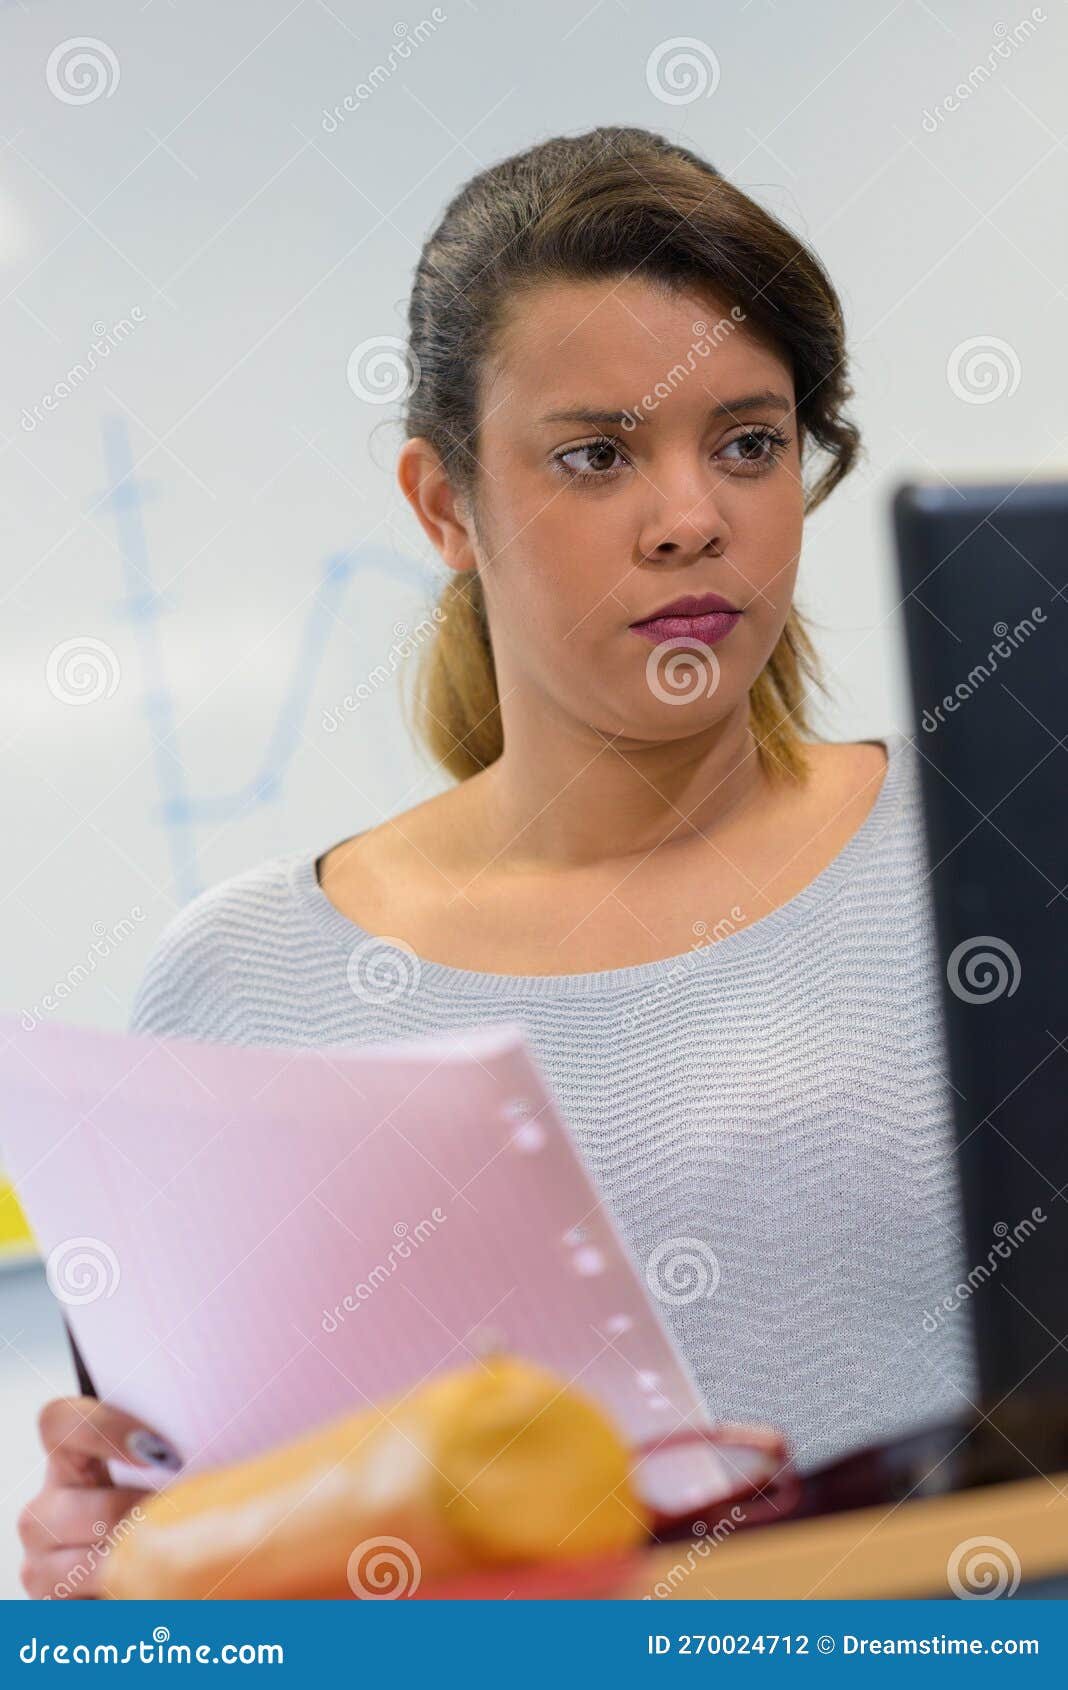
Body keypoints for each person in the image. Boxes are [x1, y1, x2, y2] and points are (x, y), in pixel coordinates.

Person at [19, 124, 976, 1599]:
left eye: (749, 442)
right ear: (443, 504)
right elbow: (201, 1563)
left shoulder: (997, 859)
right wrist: (121, 1576)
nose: (690, 519)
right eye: (597, 455)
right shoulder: (240, 983)